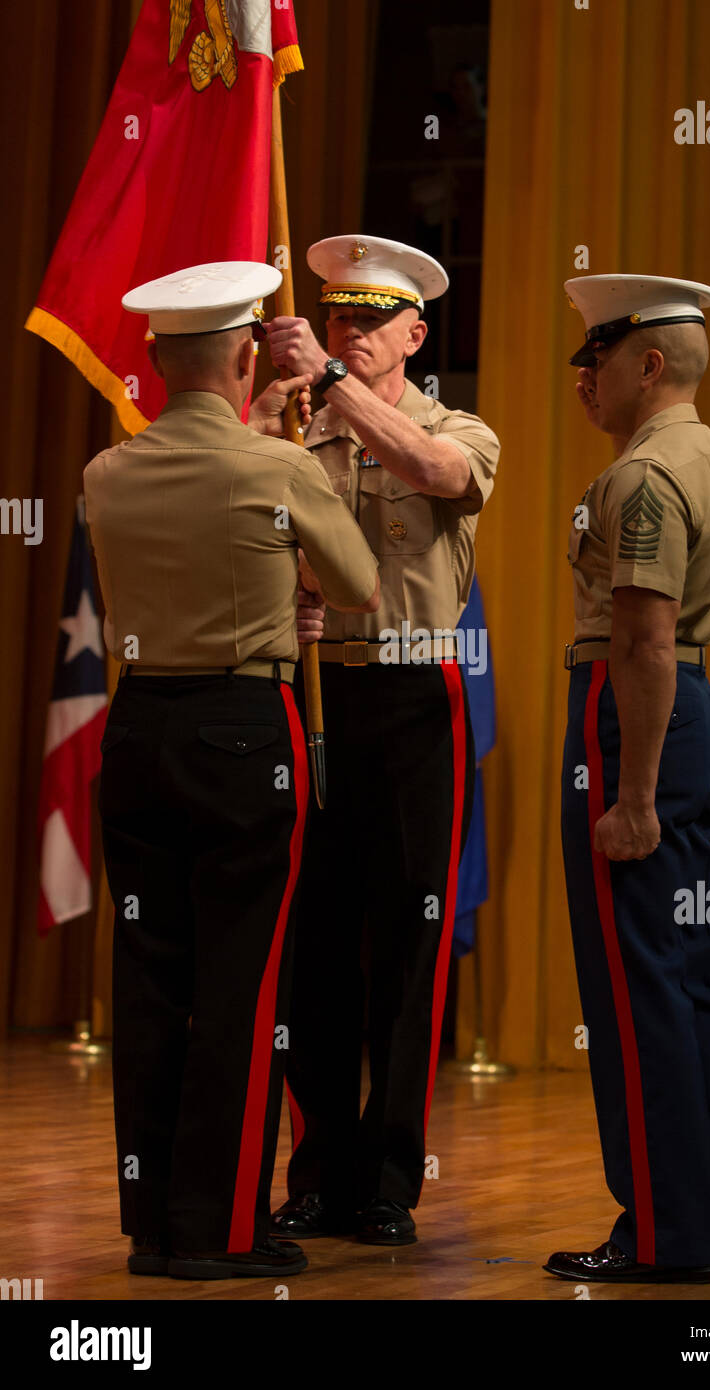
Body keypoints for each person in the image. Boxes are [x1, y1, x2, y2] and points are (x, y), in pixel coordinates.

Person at [84, 261, 380, 1281]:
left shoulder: (104, 473)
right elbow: (357, 583)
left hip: (138, 728)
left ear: (157, 361)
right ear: (248, 353)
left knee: (151, 977)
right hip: (244, 728)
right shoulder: (280, 470)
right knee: (242, 985)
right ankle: (222, 1226)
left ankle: (155, 1221)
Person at [262, 235, 500, 1245]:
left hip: (414, 698)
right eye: (338, 317)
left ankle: (389, 1178)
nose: (352, 333)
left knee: (409, 945)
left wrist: (327, 382)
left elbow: (434, 471)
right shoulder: (286, 429)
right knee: (314, 943)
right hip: (320, 694)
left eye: (370, 320)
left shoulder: (460, 428)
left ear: (415, 332)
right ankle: (316, 1170)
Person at [545, 274, 710, 1284]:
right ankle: (699, 1226)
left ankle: (659, 1232)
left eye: (596, 357)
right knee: (675, 981)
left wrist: (626, 797)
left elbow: (639, 635)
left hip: (631, 718)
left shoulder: (641, 476)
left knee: (633, 991)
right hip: (684, 710)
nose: (582, 376)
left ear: (648, 364)